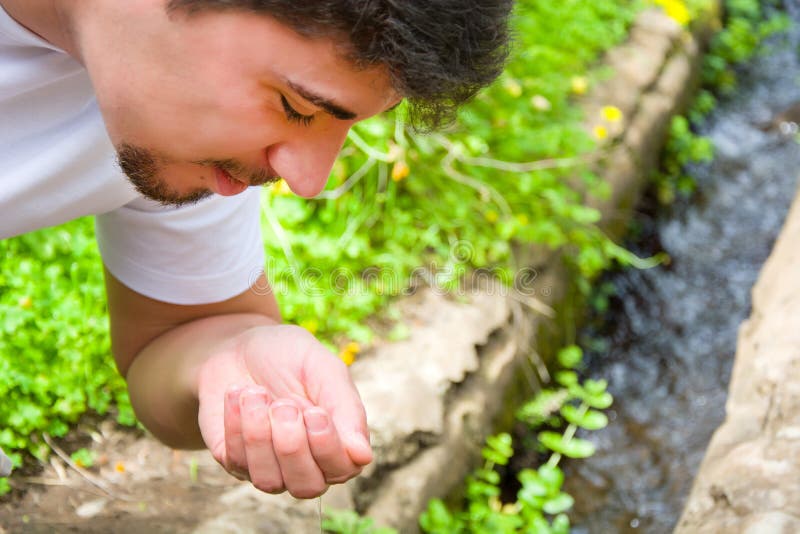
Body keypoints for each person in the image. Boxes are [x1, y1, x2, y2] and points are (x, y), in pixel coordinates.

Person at [0, 0, 512, 498]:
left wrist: (227, 356)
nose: (307, 179)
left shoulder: (182, 123)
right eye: (296, 107)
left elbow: (173, 335)